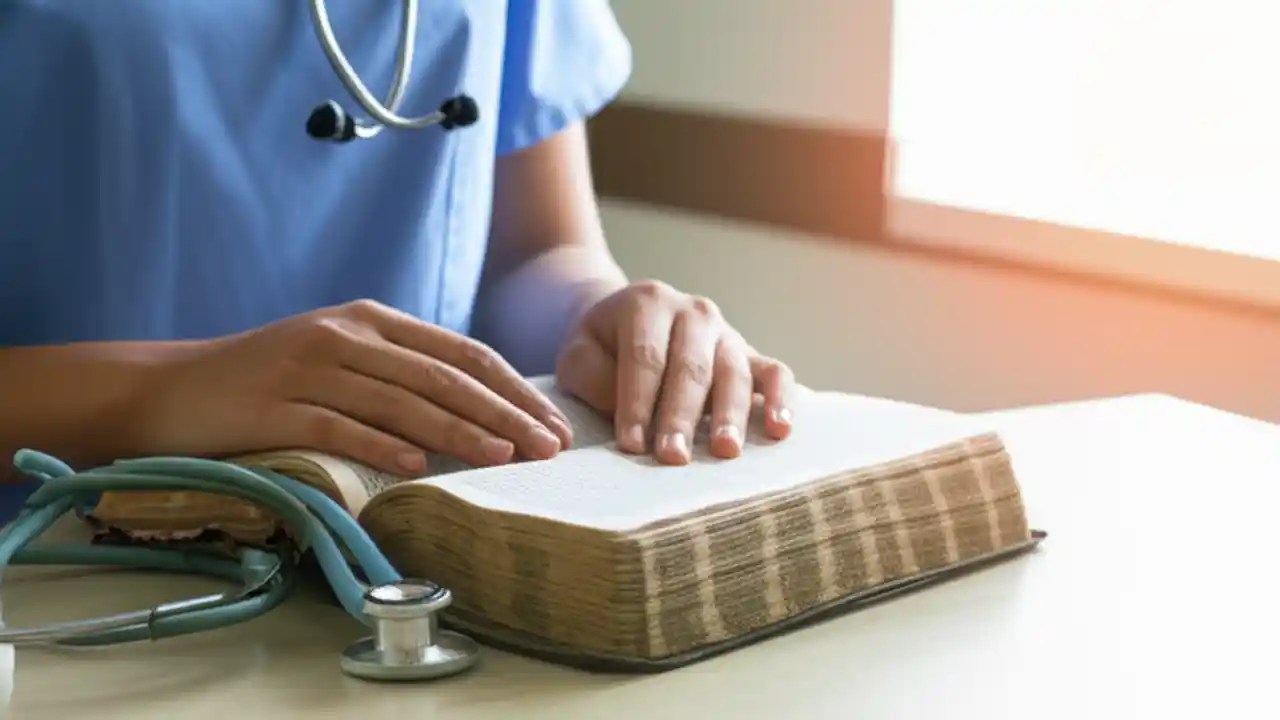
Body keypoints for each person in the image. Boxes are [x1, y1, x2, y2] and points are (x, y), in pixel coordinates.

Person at [0, 1, 795, 512]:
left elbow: (533, 249)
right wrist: (158, 395)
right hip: (58, 596)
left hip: (411, 571)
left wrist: (598, 320)